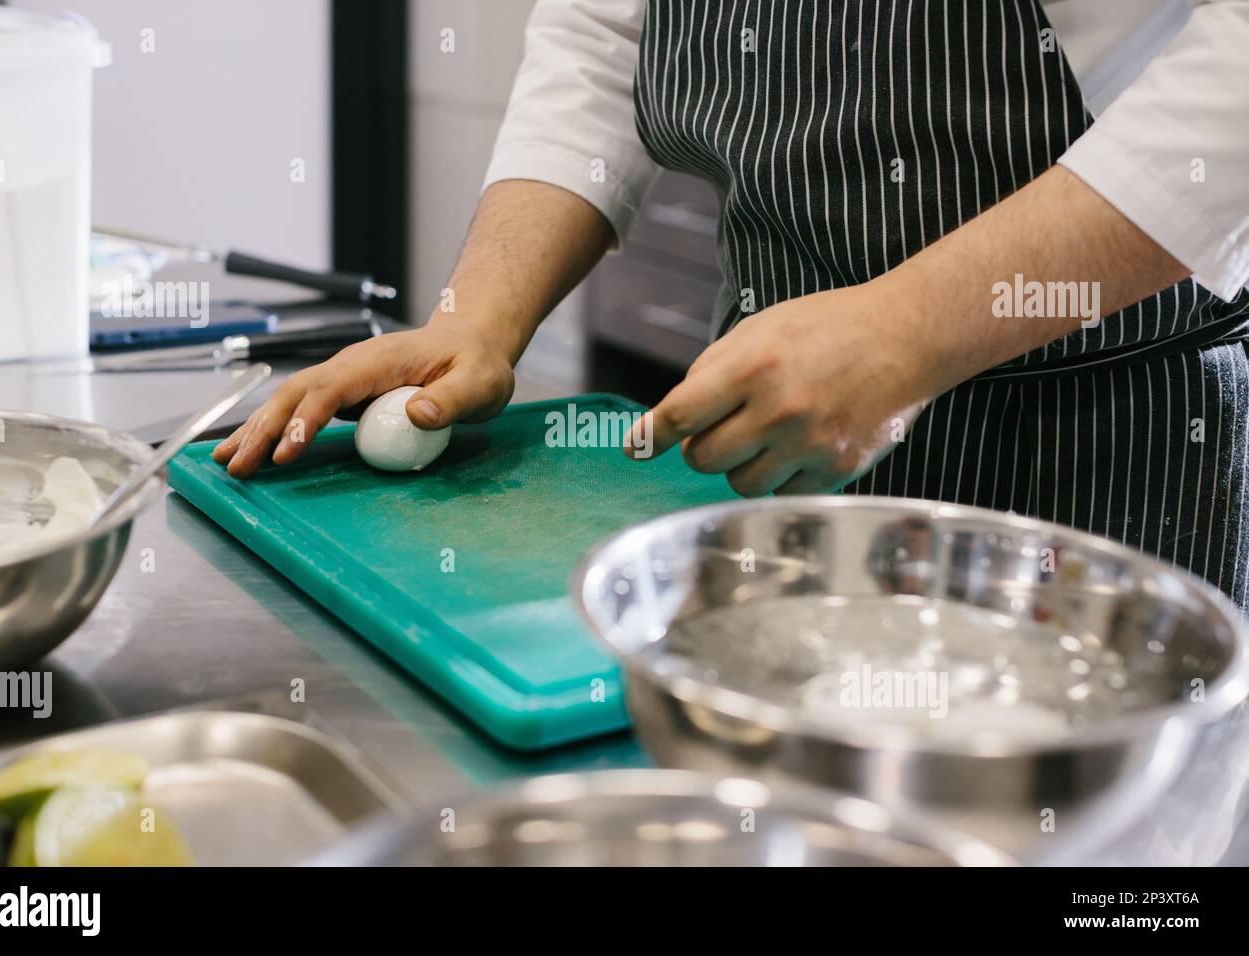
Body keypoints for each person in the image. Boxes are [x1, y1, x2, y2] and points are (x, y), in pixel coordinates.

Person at [216, 0, 1249, 605]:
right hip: (761, 431)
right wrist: (476, 319)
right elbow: (602, 24)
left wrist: (908, 326)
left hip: (1102, 457)